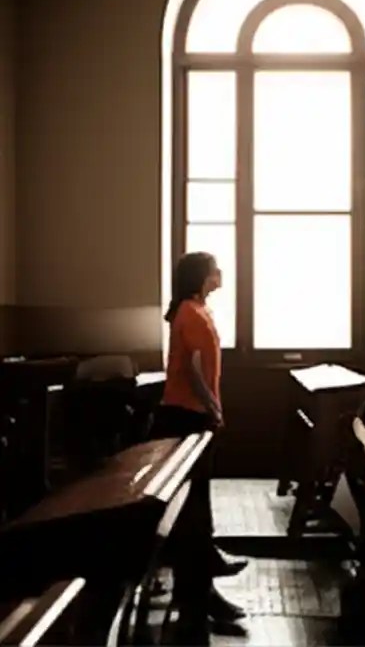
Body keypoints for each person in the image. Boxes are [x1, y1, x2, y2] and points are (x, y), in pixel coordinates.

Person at [157, 252, 246, 636]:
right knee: (192, 509)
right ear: (202, 276)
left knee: (197, 507)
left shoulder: (197, 310)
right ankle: (199, 588)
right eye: (215, 268)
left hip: (191, 412)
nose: (220, 273)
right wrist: (213, 408)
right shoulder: (190, 313)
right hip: (185, 414)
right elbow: (193, 370)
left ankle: (199, 589)